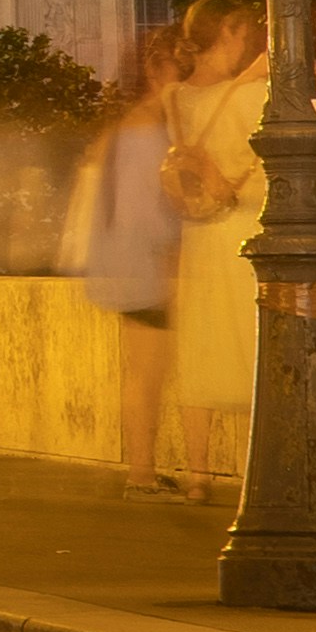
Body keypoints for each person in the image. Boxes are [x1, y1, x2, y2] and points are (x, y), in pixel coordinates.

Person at [61, 32, 187, 495]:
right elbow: (144, 211)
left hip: (125, 263)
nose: (184, 78)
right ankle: (142, 473)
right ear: (154, 73)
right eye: (178, 68)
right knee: (148, 373)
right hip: (147, 266)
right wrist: (171, 255)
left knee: (144, 372)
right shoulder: (147, 132)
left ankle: (143, 470)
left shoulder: (122, 129)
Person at [160, 3, 276, 501]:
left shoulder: (176, 97)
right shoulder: (253, 94)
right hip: (246, 226)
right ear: (227, 32)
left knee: (201, 345)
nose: (245, 45)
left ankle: (198, 473)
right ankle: (259, 471)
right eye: (242, 35)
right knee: (253, 345)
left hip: (200, 231)